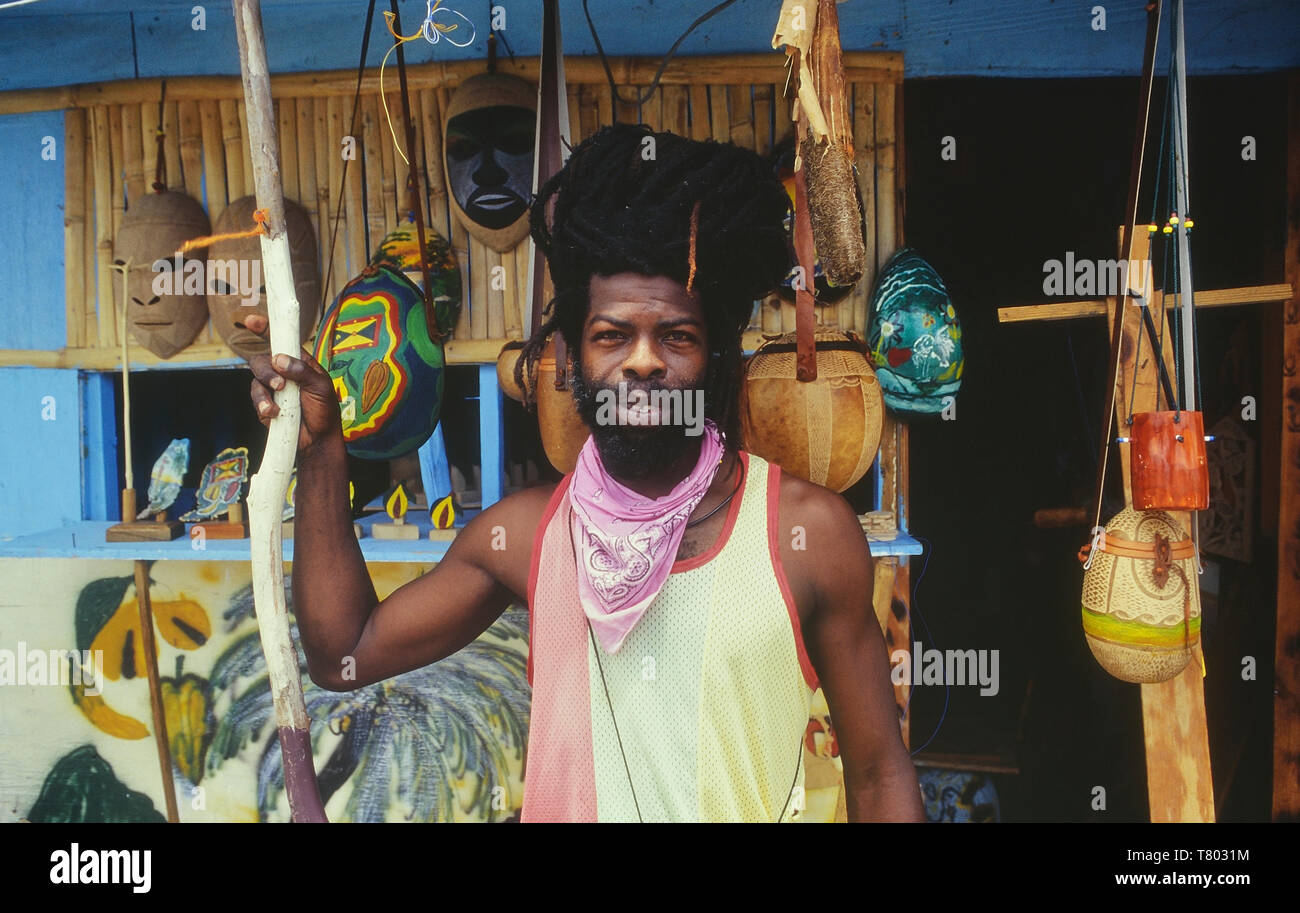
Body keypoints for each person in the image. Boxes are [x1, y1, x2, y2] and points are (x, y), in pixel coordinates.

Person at [247, 124, 923, 823]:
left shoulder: (802, 534)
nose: (642, 361)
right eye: (612, 335)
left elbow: (876, 772)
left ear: (717, 355)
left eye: (676, 336)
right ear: (570, 358)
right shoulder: (527, 535)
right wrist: (324, 454)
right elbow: (343, 653)